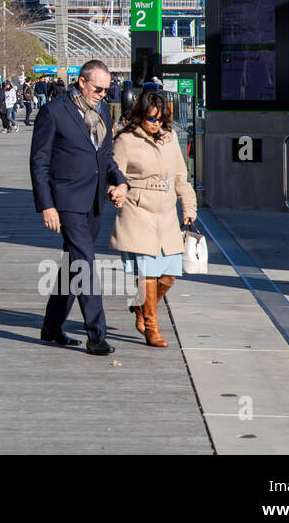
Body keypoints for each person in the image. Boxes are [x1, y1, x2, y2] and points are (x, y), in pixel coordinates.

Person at [30, 59, 129, 356]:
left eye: (107, 89)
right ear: (82, 82)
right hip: (67, 202)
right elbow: (39, 163)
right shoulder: (54, 112)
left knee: (71, 264)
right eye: (98, 88)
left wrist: (120, 182)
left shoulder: (101, 113)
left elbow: (105, 156)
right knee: (85, 263)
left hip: (95, 201)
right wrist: (47, 206)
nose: (103, 94)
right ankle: (96, 334)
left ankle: (52, 325)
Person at [111, 90, 196, 347]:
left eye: (160, 118)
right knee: (147, 273)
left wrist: (189, 207)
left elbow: (181, 175)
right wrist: (115, 190)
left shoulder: (169, 138)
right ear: (140, 116)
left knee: (168, 276)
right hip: (139, 211)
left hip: (167, 213)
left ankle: (140, 307)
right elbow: (114, 173)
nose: (156, 123)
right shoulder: (125, 140)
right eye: (151, 118)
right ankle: (151, 326)